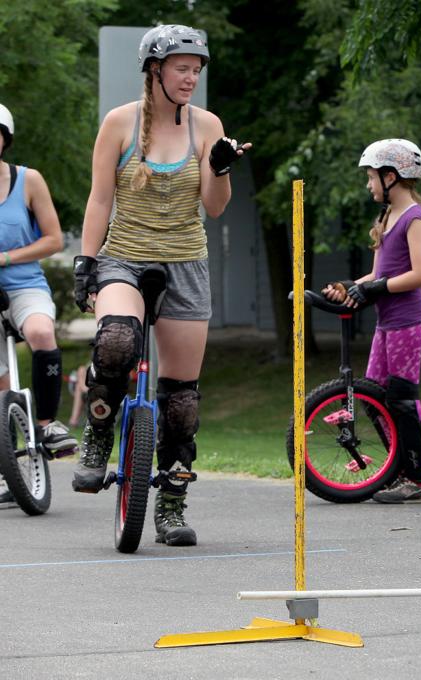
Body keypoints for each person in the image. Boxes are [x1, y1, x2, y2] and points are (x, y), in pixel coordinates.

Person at [71, 25, 250, 547]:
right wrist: (86, 261)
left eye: (197, 70)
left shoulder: (207, 124)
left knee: (181, 402)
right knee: (118, 341)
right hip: (124, 258)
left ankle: (171, 505)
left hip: (186, 264)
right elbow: (100, 198)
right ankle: (98, 433)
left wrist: (219, 170)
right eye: (182, 68)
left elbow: (214, 208)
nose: (191, 78)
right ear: (155, 69)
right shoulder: (120, 122)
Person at [323, 138, 421, 504]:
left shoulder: (414, 217)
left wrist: (376, 289)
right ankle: (396, 469)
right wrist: (348, 287)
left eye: (371, 177)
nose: (368, 185)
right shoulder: (388, 217)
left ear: (391, 176)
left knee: (402, 398)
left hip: (409, 320)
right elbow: (376, 274)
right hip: (388, 322)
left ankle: (416, 479)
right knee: (373, 396)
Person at [0, 103, 79, 465]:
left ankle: (47, 425)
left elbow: (53, 240)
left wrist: (5, 258)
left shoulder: (27, 180)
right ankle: (7, 461)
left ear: (5, 140)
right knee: (2, 391)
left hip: (23, 285)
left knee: (42, 334)